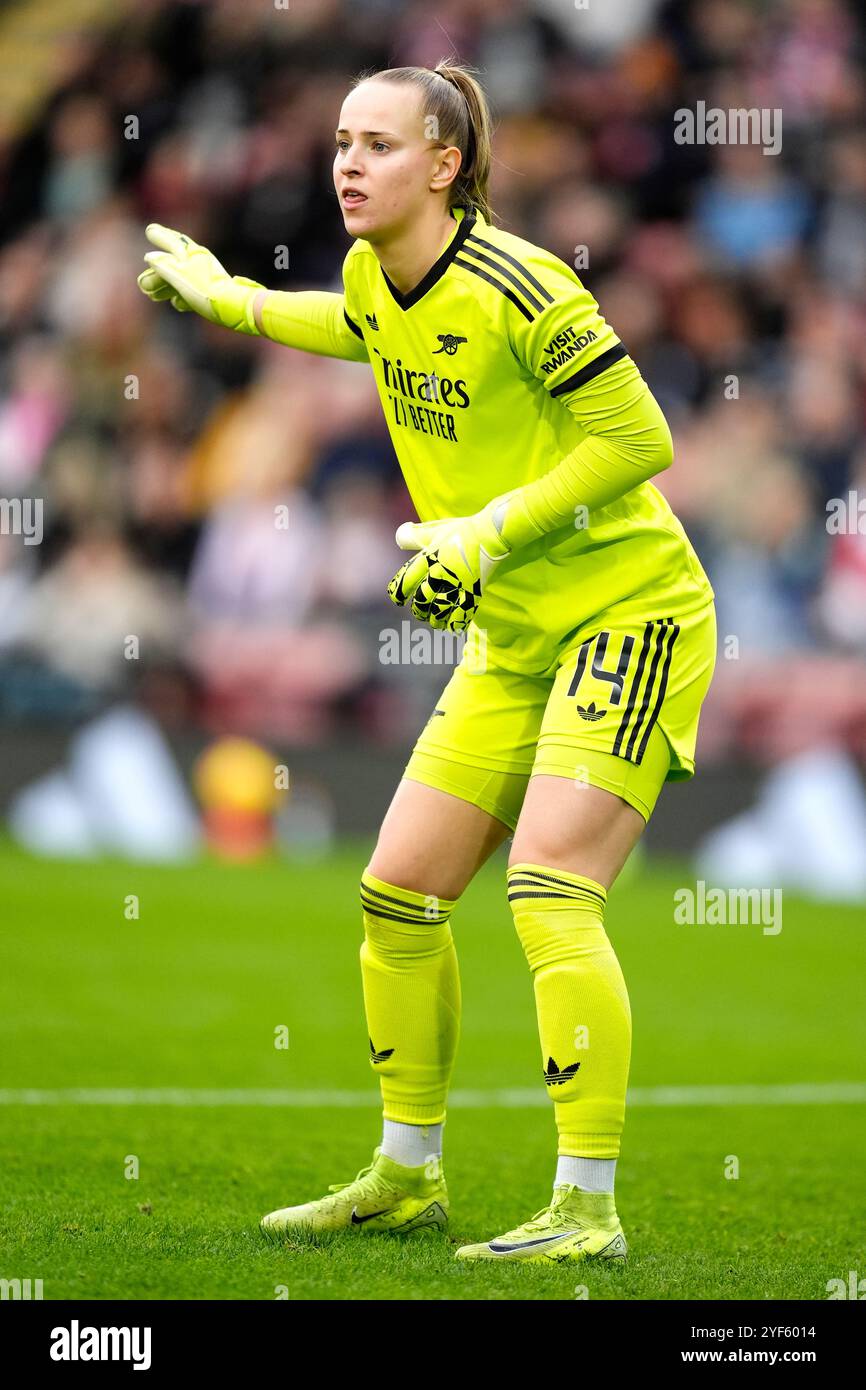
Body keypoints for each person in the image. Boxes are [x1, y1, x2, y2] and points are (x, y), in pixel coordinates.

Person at [138, 61, 716, 1266]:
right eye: (341, 141)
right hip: (512, 635)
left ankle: (587, 1207)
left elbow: (641, 436)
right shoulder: (368, 272)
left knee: (549, 887)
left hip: (630, 612)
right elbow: (350, 326)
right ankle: (406, 1177)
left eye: (379, 145)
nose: (347, 164)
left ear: (444, 166)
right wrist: (233, 299)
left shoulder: (521, 281)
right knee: (395, 892)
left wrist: (485, 531)